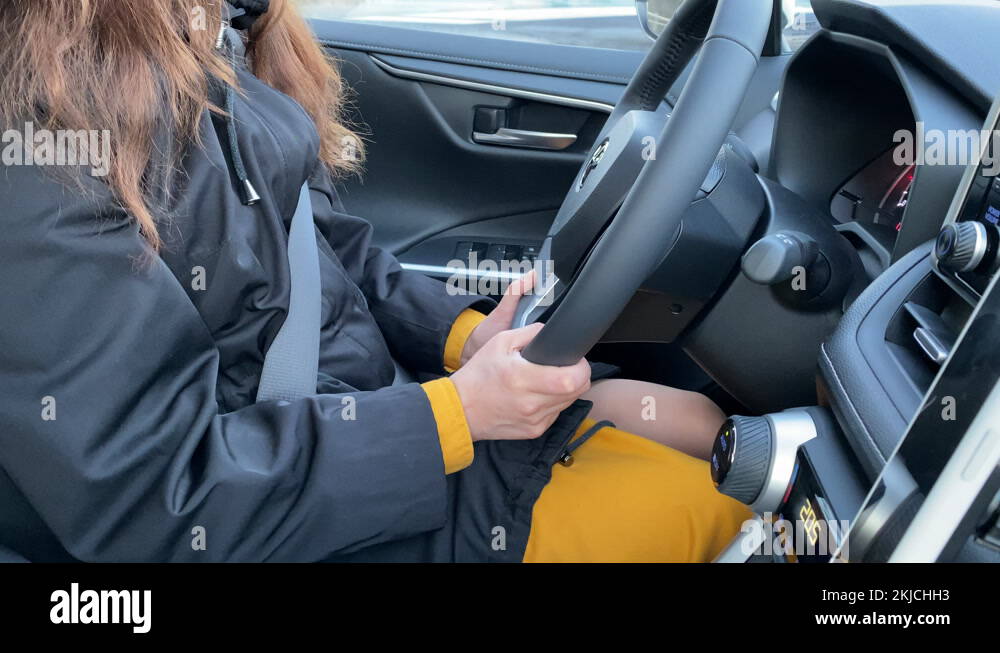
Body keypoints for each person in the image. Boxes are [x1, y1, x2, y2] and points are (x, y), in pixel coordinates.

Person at [0, 0, 748, 563]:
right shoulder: (46, 152)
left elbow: (329, 252)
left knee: (705, 429)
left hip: (374, 415)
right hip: (309, 514)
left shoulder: (221, 42)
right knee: (720, 508)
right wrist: (454, 415)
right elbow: (155, 491)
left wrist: (466, 339)